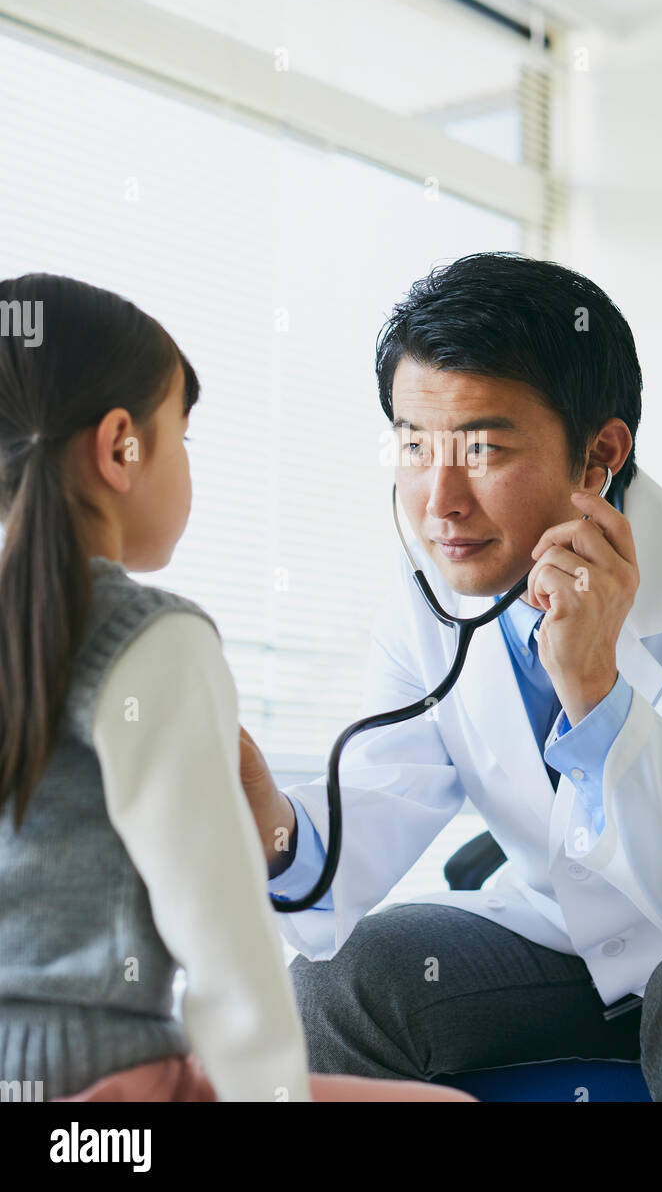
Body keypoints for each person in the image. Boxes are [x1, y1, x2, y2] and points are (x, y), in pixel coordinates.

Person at [242, 251, 662, 1103]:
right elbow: (355, 846)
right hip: (565, 939)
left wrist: (597, 690)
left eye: (482, 450)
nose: (439, 501)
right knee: (336, 987)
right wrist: (261, 815)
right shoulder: (431, 599)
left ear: (598, 454)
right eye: (414, 446)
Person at [0, 272, 473, 1104]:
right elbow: (222, 937)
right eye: (183, 437)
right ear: (122, 449)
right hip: (107, 1084)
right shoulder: (149, 637)